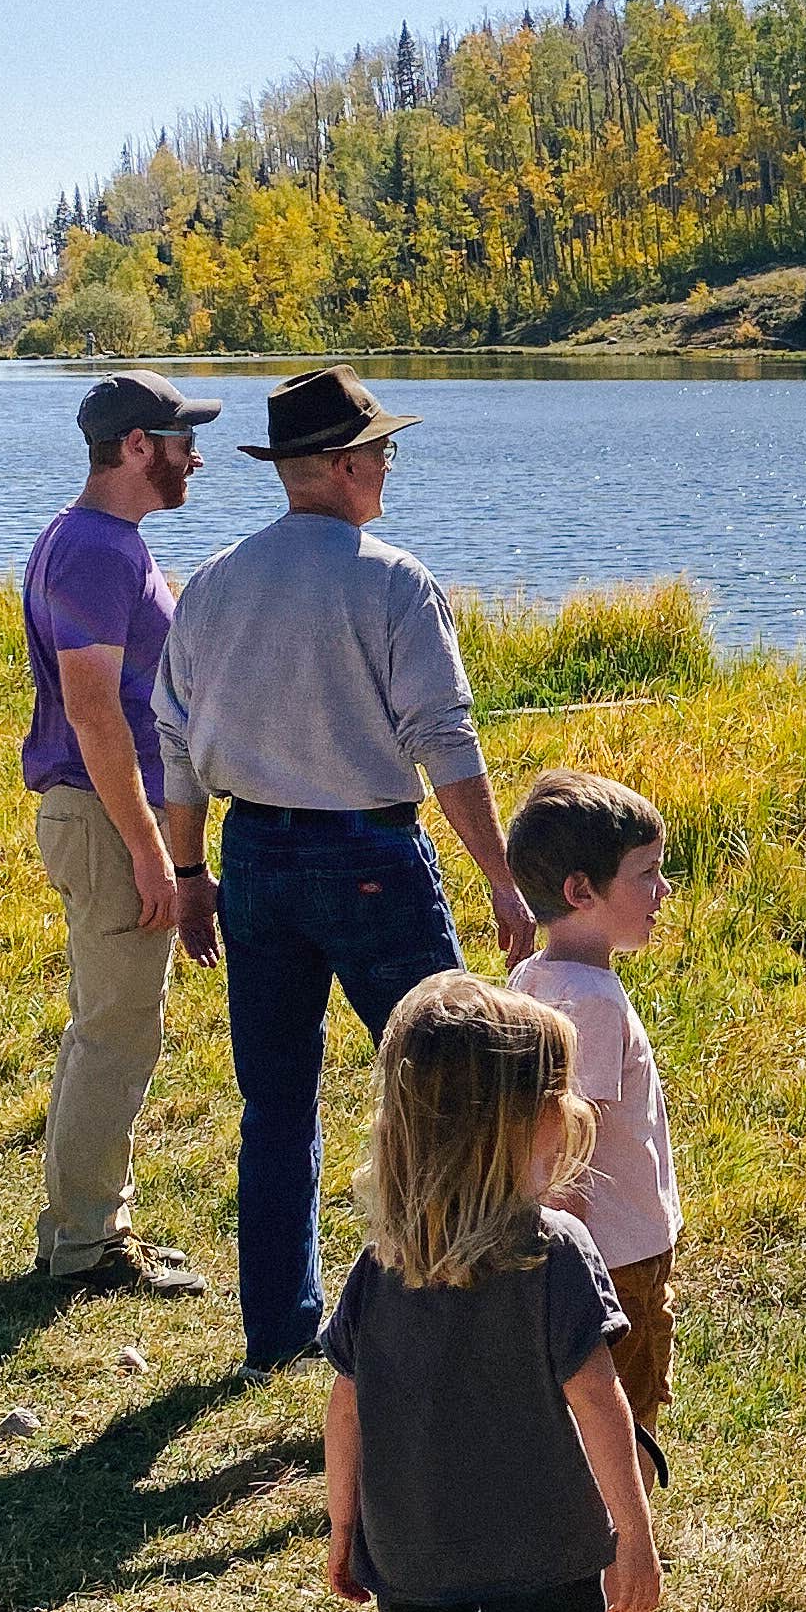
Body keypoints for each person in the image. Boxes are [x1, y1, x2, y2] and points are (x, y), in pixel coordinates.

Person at [154, 365, 539, 1370]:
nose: (387, 467)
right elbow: (445, 744)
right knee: (447, 1078)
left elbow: (178, 746)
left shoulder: (214, 585)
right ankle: (454, 1303)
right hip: (369, 857)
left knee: (273, 1103)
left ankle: (279, 1334)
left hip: (256, 860)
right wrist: (502, 879)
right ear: (337, 465)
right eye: (379, 451)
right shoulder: (393, 582)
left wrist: (193, 874)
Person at [320, 972, 662, 1612]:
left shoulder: (382, 1263)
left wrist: (346, 1528)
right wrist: (632, 1541)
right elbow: (603, 1407)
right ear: (527, 1128)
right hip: (545, 1550)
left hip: (413, 1538)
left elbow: (345, 1410)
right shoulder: (553, 1252)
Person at [507, 768, 707, 1612]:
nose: (663, 890)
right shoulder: (586, 1005)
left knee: (571, 1468)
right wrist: (568, 1291)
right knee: (613, 1466)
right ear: (581, 891)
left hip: (595, 1273)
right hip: (609, 1281)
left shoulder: (537, 982)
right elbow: (565, 1167)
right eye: (646, 873)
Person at [19, 367, 222, 1296]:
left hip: (99, 814)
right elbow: (93, 710)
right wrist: (152, 854)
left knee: (108, 1026)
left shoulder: (98, 539)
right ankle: (85, 1248)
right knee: (118, 1031)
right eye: (181, 441)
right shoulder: (99, 549)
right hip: (107, 819)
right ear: (136, 447)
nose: (196, 457)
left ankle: (91, 1226)